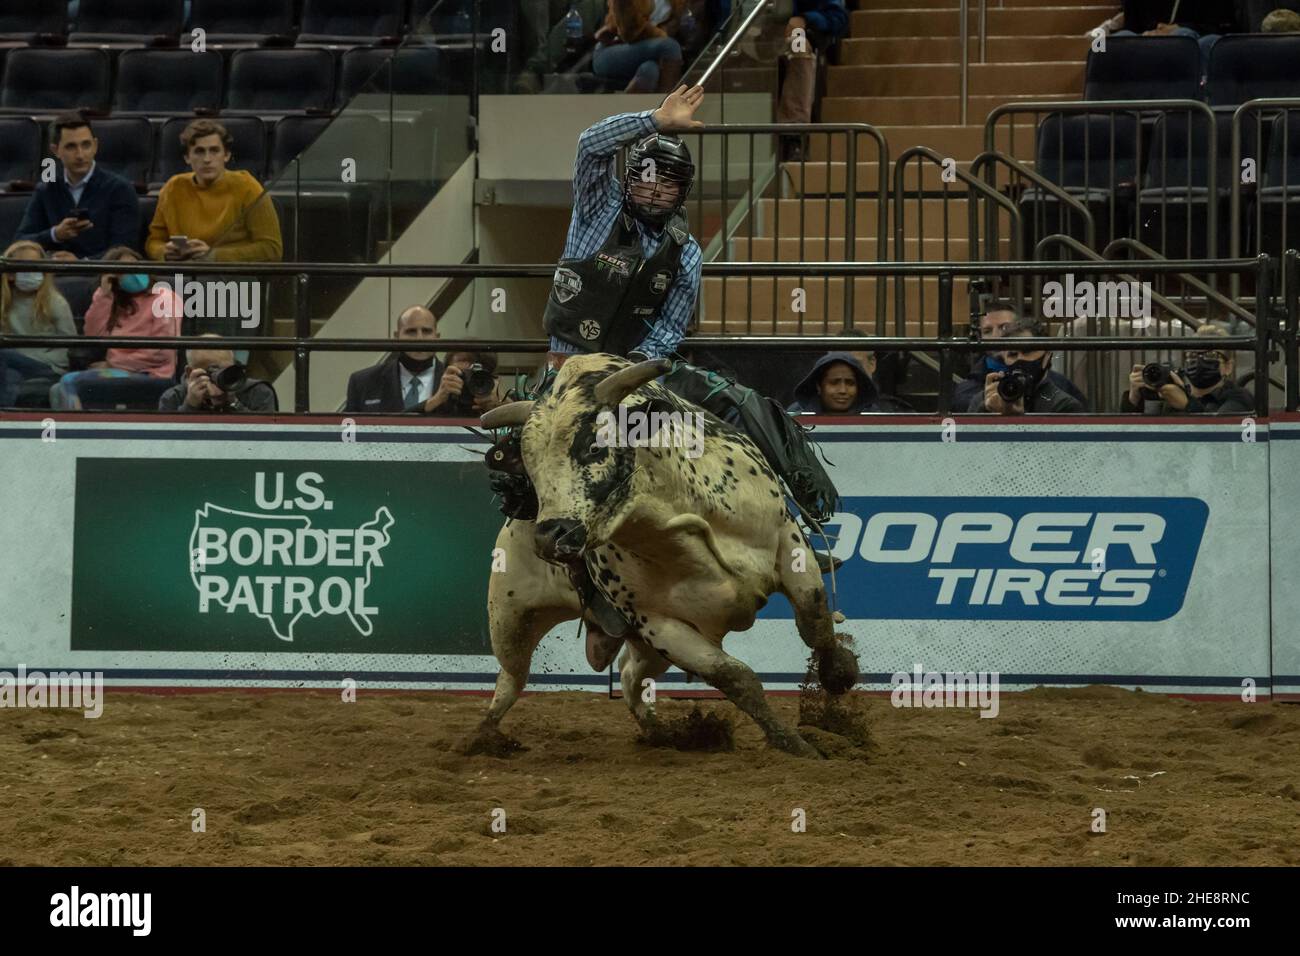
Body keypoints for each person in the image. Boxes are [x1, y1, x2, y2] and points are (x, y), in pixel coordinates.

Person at [48, 246, 181, 410]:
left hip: (152, 374)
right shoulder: (116, 302)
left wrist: (113, 363)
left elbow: (162, 352)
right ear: (114, 279)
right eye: (122, 271)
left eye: (134, 265)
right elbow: (94, 336)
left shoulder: (164, 296)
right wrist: (104, 296)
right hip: (123, 371)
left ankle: (77, 431)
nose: (131, 272)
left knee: (71, 382)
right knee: (56, 390)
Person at [145, 119, 283, 263]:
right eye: (199, 151)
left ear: (226, 155)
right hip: (184, 271)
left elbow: (272, 249)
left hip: (232, 277)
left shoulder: (247, 187)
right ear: (187, 158)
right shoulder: (173, 187)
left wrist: (214, 256)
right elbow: (154, 241)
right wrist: (165, 251)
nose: (207, 159)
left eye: (214, 150)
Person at [15, 112, 141, 260]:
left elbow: (124, 248)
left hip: (101, 275)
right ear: (56, 150)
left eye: (86, 145)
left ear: (95, 146)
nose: (80, 155)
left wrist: (81, 262)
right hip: (53, 274)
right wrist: (55, 234)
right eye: (71, 147)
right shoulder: (46, 190)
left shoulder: (120, 189)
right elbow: (20, 243)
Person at [956, 301, 1087, 411]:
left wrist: (1016, 419)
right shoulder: (984, 399)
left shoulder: (1065, 404)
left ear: (1047, 356)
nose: (1019, 358)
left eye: (1027, 351)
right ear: (1004, 358)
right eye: (1012, 354)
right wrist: (984, 410)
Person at [344, 306, 463, 414]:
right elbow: (348, 433)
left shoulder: (457, 381)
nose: (420, 338)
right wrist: (433, 402)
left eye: (426, 331)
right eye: (411, 331)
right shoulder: (363, 382)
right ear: (397, 337)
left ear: (437, 338)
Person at [0, 240, 77, 407]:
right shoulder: (3, 302)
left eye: (37, 266)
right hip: (10, 367)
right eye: (26, 266)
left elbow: (69, 348)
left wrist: (24, 357)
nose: (34, 271)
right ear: (10, 274)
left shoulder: (56, 302)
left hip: (47, 365)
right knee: (10, 374)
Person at [1119, 324, 1254, 414]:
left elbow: (1219, 437)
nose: (1199, 359)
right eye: (1193, 354)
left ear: (1228, 367)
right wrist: (1133, 399)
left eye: (1210, 354)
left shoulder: (1239, 398)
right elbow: (1129, 438)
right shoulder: (1170, 394)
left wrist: (1186, 404)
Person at [777, 0, 848, 158]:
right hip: (754, 35)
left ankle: (794, 133)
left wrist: (805, 19)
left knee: (799, 44)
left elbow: (838, 17)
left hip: (798, 32)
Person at [158, 335, 277, 413]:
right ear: (190, 372)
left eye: (227, 369)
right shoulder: (173, 398)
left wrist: (232, 403)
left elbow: (266, 442)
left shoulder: (258, 392)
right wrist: (190, 405)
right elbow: (169, 446)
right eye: (212, 370)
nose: (221, 376)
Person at [593, 0, 687, 94]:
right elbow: (628, 32)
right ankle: (669, 103)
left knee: (650, 69)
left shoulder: (676, 2)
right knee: (670, 46)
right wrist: (658, 35)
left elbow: (673, 26)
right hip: (610, 48)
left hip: (647, 53)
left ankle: (626, 107)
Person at [787, 351, 884, 414]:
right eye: (834, 383)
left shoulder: (873, 415)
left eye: (850, 383)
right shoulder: (797, 415)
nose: (843, 390)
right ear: (819, 386)